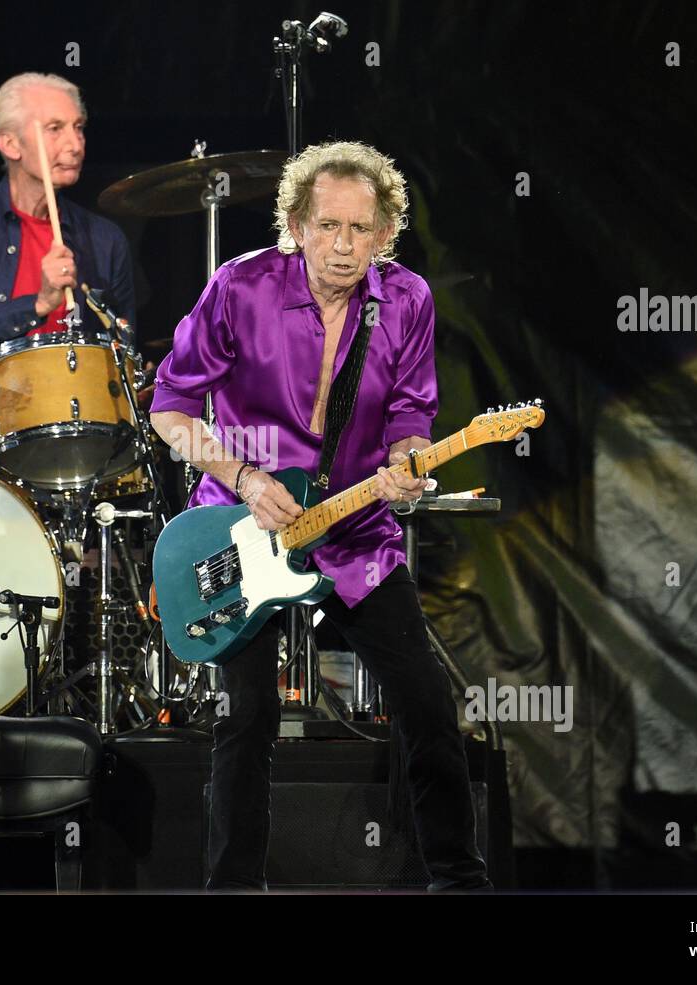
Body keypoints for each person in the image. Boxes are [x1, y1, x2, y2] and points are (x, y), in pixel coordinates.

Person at [149, 140, 489, 891]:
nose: (342, 245)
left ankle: (460, 881)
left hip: (354, 529)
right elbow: (170, 407)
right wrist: (239, 474)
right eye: (327, 226)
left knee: (429, 703)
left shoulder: (406, 301)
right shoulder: (239, 288)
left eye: (360, 230)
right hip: (244, 527)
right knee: (247, 717)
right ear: (296, 225)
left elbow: (411, 411)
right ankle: (233, 888)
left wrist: (407, 460)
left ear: (384, 234)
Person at [0, 72, 135, 457]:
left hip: (73, 428)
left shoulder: (104, 239)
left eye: (78, 128)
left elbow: (122, 346)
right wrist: (38, 305)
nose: (75, 143)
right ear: (10, 144)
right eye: (55, 128)